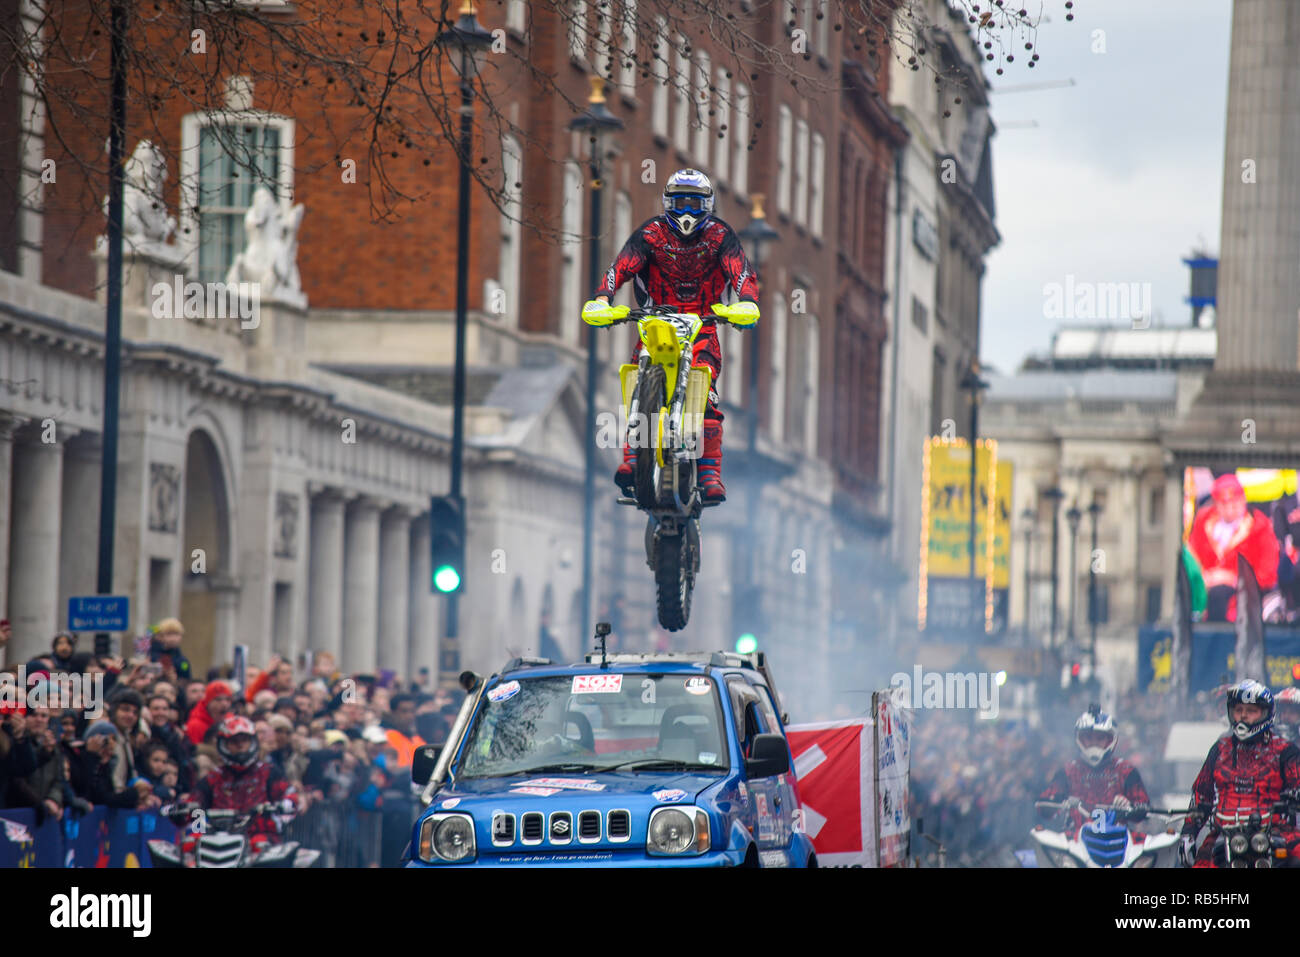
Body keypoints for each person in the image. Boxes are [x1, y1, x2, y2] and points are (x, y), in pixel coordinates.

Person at [581, 168, 760, 503]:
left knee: (706, 396)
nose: (687, 212)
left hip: (704, 324)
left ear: (707, 205)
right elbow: (620, 267)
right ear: (667, 203)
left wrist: (747, 301)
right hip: (654, 320)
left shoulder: (722, 236)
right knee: (636, 382)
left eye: (694, 203)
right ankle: (633, 459)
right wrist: (603, 298)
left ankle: (709, 475)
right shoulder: (650, 233)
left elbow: (742, 272)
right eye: (679, 203)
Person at [1179, 679, 1300, 867]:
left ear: (1265, 713)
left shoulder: (1286, 750)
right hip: (1223, 833)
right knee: (1192, 863)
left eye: (1251, 711)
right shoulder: (1219, 749)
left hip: (1276, 831)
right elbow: (1201, 795)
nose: (1243, 716)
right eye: (1238, 710)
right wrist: (1188, 833)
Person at [184, 714, 301, 844]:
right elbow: (194, 805)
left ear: (253, 742)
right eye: (234, 742)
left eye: (244, 741)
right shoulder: (213, 778)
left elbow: (289, 794)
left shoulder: (268, 772)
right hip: (218, 838)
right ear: (224, 744)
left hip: (259, 836)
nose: (240, 746)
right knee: (189, 844)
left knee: (261, 844)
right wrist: (185, 813)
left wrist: (286, 805)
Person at [1037, 706, 1151, 829]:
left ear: (1111, 740)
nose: (1094, 743)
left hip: (1118, 838)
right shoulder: (1068, 771)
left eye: (1100, 738)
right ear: (1079, 739)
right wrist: (1060, 800)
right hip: (1075, 840)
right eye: (1088, 738)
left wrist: (1128, 806)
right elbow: (1043, 807)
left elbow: (1144, 809)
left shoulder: (1125, 770)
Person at [1187, 473, 1280, 621]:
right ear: (1215, 503)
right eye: (1223, 504)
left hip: (1242, 606)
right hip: (1206, 602)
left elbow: (1268, 575)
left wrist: (1233, 579)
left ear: (1243, 500)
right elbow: (1192, 560)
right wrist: (1205, 577)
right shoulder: (1203, 521)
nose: (1229, 510)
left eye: (1234, 503)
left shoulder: (1260, 526)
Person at [184, 680, 233, 745]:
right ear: (208, 702)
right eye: (218, 699)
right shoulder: (195, 725)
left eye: (228, 699)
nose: (224, 704)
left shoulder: (231, 719)